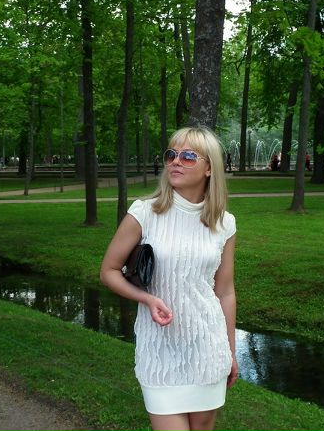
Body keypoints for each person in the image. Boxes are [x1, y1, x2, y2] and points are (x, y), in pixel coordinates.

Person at [100, 127, 238, 431]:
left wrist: (230, 352)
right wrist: (146, 298)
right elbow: (108, 271)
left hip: (208, 349)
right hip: (159, 352)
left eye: (188, 156)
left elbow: (225, 292)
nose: (176, 161)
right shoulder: (145, 212)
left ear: (209, 168)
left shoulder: (224, 223)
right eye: (171, 154)